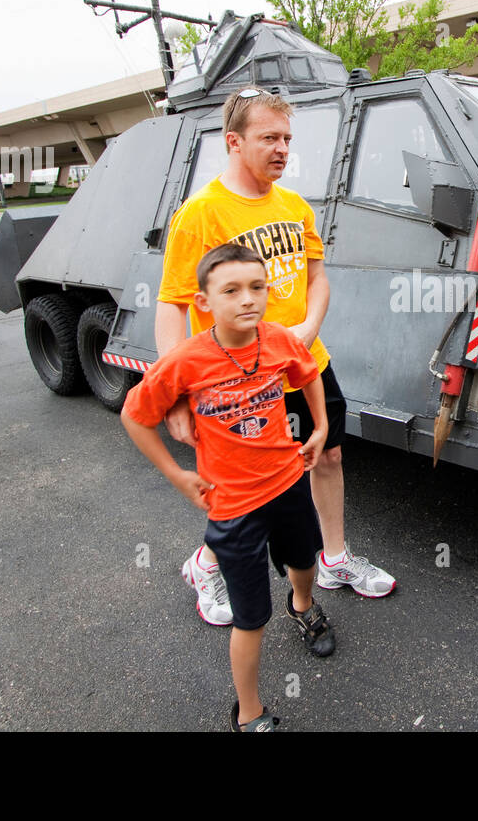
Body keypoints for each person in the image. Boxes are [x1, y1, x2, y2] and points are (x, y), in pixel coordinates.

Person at [155, 85, 394, 627]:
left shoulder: (295, 206)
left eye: (287, 137)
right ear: (233, 141)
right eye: (270, 137)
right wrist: (174, 392)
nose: (283, 148)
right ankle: (206, 564)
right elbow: (171, 305)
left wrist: (306, 331)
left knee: (327, 456)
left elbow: (316, 279)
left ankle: (333, 559)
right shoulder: (200, 214)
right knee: (251, 486)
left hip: (306, 366)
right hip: (237, 381)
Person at [123, 243, 334, 731]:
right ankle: (249, 712)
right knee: (250, 617)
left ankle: (302, 606)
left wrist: (320, 429)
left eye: (257, 287)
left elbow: (309, 374)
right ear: (204, 302)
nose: (248, 299)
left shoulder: (279, 339)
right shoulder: (187, 360)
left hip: (288, 483)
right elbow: (136, 416)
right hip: (233, 506)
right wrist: (176, 474)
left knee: (305, 561)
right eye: (232, 290)